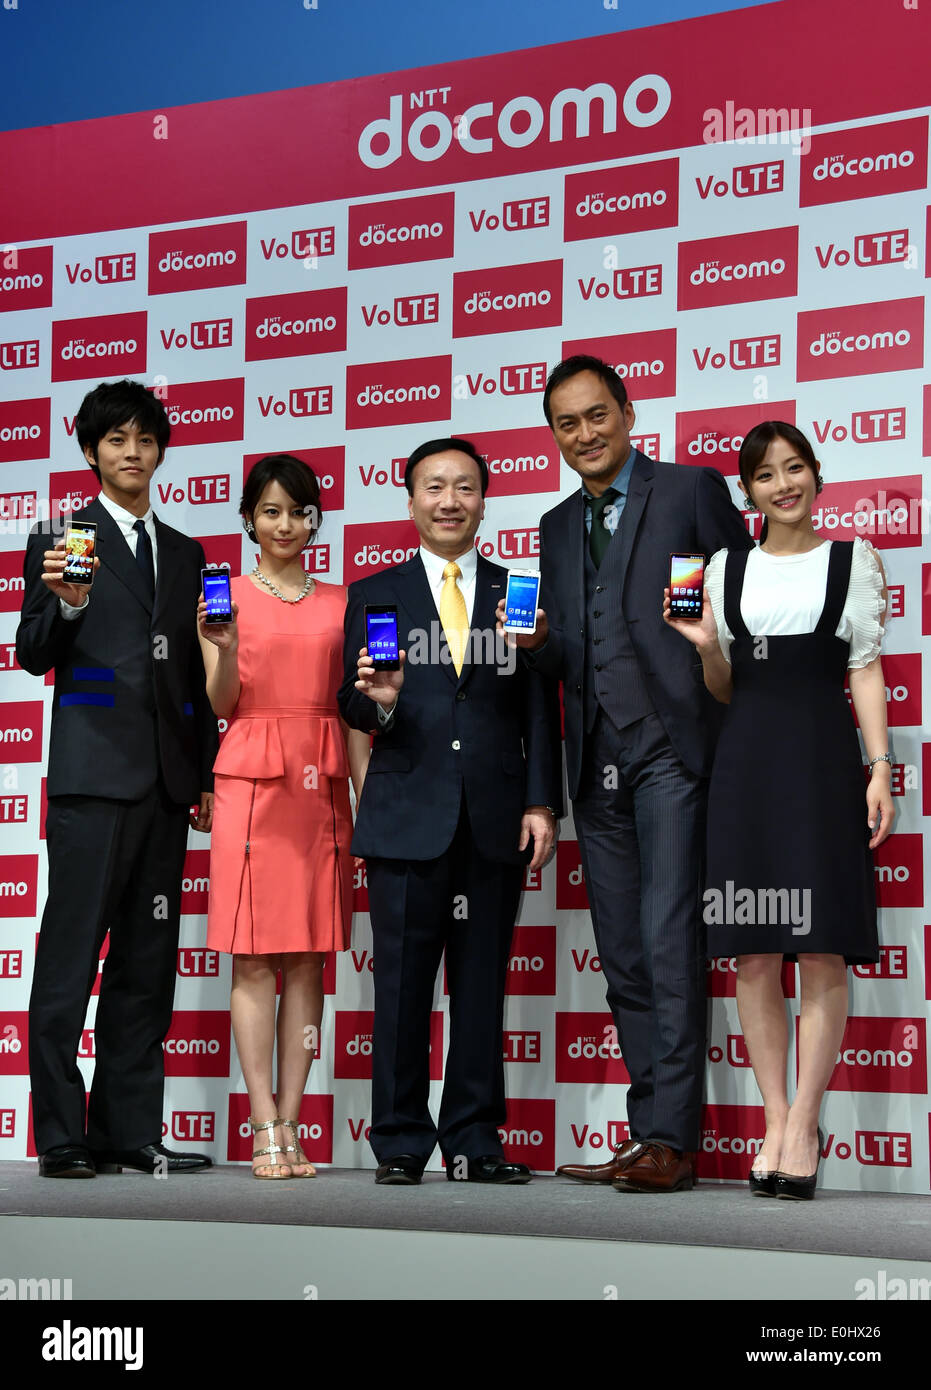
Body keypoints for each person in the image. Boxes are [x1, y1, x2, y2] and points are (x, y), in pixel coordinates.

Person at [503, 356, 753, 1194]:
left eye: (595, 415)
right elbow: (566, 659)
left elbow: (741, 615)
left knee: (667, 935)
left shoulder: (689, 491)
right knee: (622, 954)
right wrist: (538, 647)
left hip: (674, 751)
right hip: (595, 761)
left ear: (626, 410)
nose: (583, 434)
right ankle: (650, 1128)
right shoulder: (549, 527)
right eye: (566, 424)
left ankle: (671, 1139)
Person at [663, 420, 894, 1199]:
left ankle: (803, 1124)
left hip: (825, 766)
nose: (782, 484)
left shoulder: (851, 561)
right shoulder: (724, 569)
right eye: (765, 475)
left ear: (815, 475)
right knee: (754, 949)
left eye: (794, 468)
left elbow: (863, 672)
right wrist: (702, 644)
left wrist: (879, 769)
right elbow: (726, 688)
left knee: (821, 946)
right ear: (748, 491)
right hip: (745, 770)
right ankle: (771, 1119)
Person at [338, 437, 561, 1185]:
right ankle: (400, 1140)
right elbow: (349, 703)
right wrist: (381, 705)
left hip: (496, 815)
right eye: (433, 487)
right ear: (409, 501)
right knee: (399, 988)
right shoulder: (374, 592)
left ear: (482, 501)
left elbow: (539, 703)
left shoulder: (516, 588)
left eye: (463, 487)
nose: (448, 501)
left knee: (478, 989)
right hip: (407, 814)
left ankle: (474, 1140)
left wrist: (541, 802)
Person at [17, 379, 219, 1178]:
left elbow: (194, 684)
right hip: (91, 781)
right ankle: (63, 1136)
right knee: (70, 961)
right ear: (92, 451)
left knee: (147, 964)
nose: (132, 453)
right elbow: (34, 651)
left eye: (144, 439)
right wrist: (64, 607)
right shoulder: (61, 533)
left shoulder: (189, 552)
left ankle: (129, 1130)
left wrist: (200, 774)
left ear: (161, 448)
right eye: (116, 441)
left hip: (168, 788)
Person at [199, 455, 369, 1179]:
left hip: (321, 779)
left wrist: (366, 804)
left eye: (298, 512)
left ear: (314, 521)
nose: (285, 525)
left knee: (310, 959)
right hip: (250, 778)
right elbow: (217, 704)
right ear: (248, 520)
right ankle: (262, 1123)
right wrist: (225, 651)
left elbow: (358, 711)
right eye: (270, 512)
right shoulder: (223, 596)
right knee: (253, 957)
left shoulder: (343, 603)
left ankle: (294, 1124)